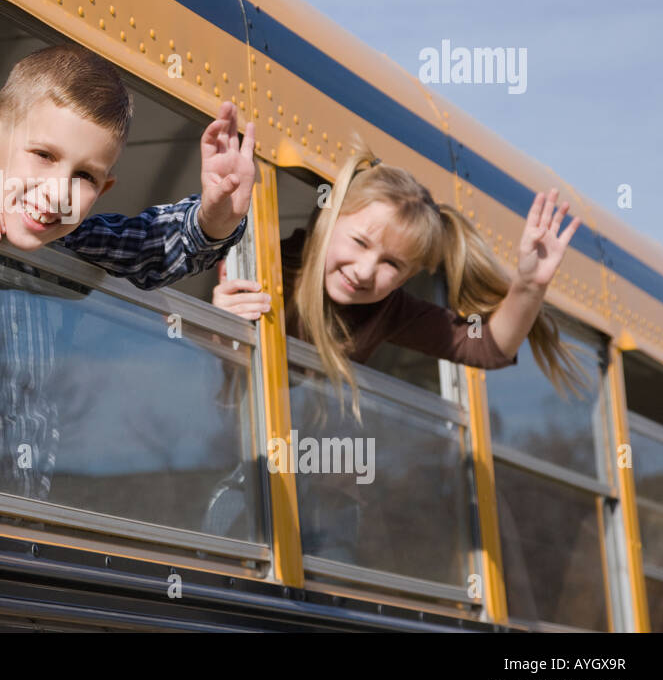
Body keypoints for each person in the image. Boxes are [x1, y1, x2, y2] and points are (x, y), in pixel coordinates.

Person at [213, 150, 588, 562]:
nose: (366, 269)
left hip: (329, 494)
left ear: (407, 277)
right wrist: (222, 325)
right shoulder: (269, 264)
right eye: (359, 242)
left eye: (391, 263)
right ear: (327, 217)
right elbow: (224, 375)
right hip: (245, 466)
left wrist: (529, 285)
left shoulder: (387, 310)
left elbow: (487, 346)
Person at [0, 44, 257, 501]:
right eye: (43, 154)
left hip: (21, 507)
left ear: (105, 188)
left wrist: (215, 216)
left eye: (85, 176)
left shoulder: (72, 241)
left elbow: (152, 244)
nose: (57, 191)